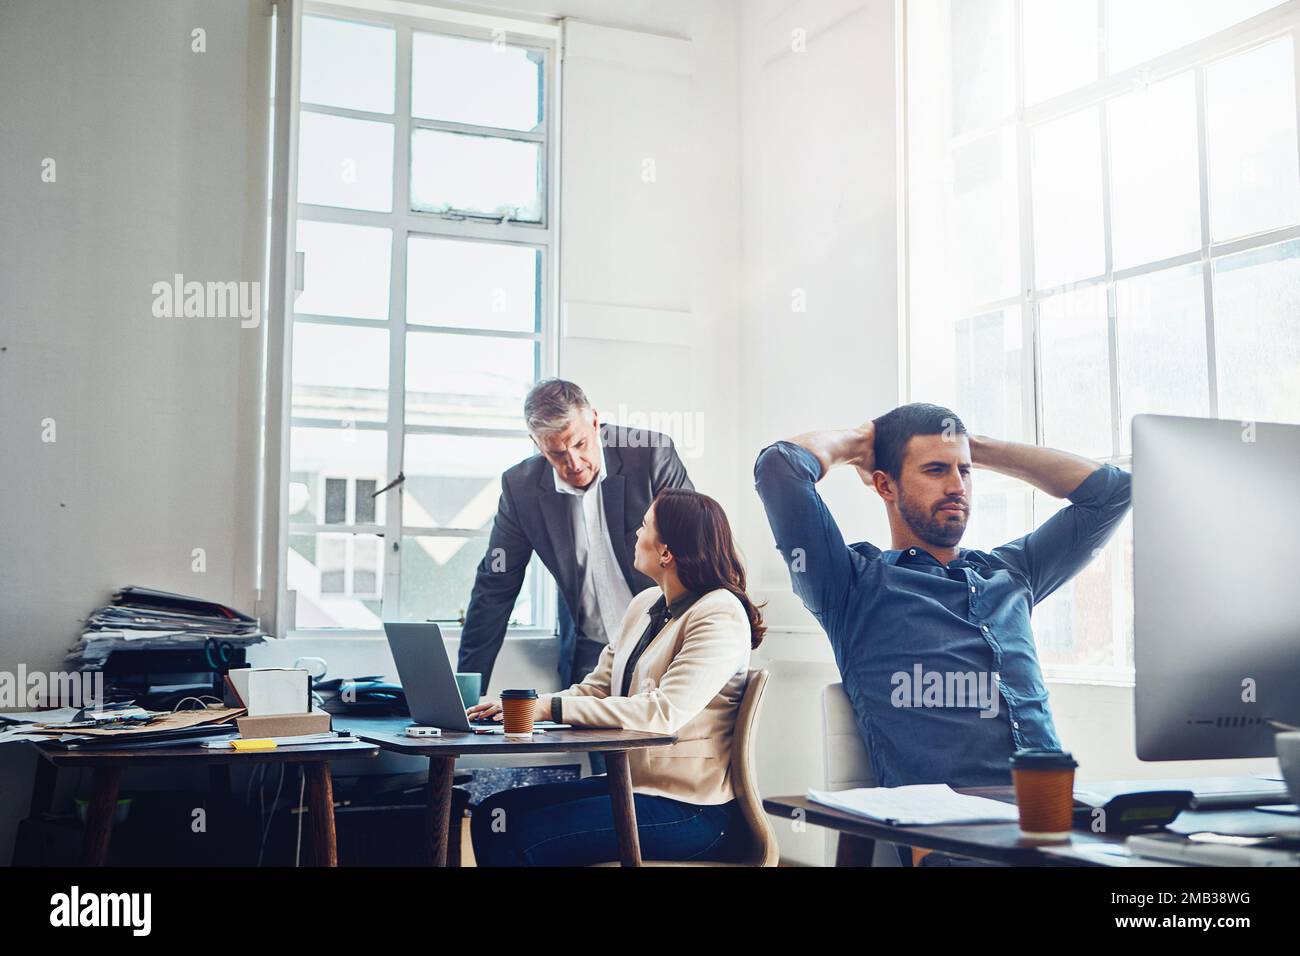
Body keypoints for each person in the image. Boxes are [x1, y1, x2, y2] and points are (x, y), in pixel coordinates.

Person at [754, 403, 1131, 791]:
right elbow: (779, 468)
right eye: (936, 470)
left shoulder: (1012, 570)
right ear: (885, 485)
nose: (957, 487)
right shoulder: (850, 583)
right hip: (951, 833)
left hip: (1055, 815)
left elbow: (1114, 492)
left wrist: (978, 448)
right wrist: (859, 442)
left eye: (964, 471)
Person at [466, 489, 764, 866]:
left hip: (693, 810)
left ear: (666, 552)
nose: (636, 535)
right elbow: (597, 687)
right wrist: (527, 707)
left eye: (644, 527)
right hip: (630, 789)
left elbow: (663, 712)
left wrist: (548, 709)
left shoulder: (719, 613)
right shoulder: (644, 606)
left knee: (523, 835)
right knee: (495, 815)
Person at [456, 379, 694, 691]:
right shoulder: (521, 489)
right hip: (590, 656)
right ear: (537, 443)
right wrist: (465, 693)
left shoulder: (650, 455)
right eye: (556, 453)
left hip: (663, 641)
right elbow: (494, 588)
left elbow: (695, 549)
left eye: (579, 444)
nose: (573, 463)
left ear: (595, 421)